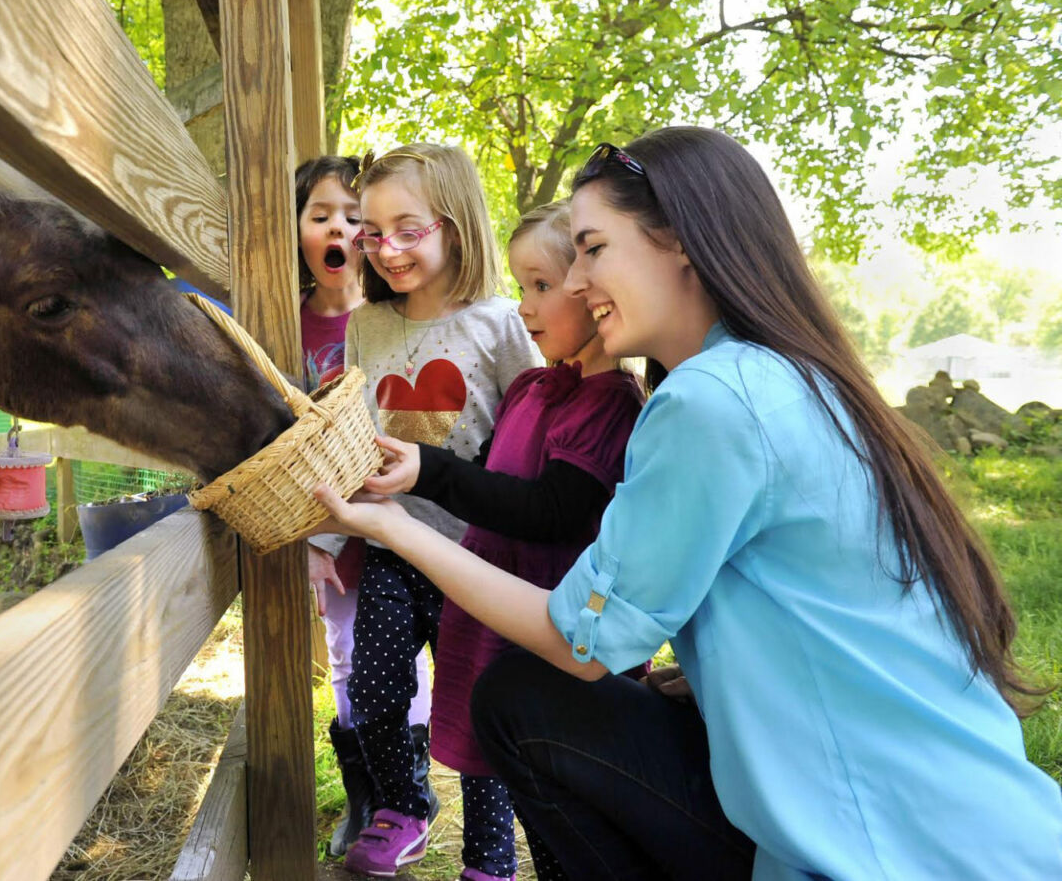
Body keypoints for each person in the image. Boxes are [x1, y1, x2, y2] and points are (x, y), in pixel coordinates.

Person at [312, 127, 1062, 880]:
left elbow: (580, 641)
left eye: (593, 249)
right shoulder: (794, 375)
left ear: (680, 242)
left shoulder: (712, 399)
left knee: (518, 695)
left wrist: (389, 527)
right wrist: (710, 683)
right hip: (970, 824)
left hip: (876, 849)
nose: (573, 283)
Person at [361, 202, 645, 880]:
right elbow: (489, 474)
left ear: (591, 289)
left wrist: (430, 471)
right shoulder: (532, 388)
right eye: (522, 288)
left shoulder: (609, 406)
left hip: (546, 630)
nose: (525, 306)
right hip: (498, 617)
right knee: (516, 773)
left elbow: (549, 509)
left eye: (541, 286)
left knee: (562, 802)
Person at [337, 144, 541, 877]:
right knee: (374, 687)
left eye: (408, 229)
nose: (386, 249)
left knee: (473, 706)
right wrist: (335, 544)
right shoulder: (367, 327)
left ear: (454, 226)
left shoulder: (498, 323)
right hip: (394, 547)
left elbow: (534, 428)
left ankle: (490, 857)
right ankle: (402, 805)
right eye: (370, 230)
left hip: (475, 560)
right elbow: (353, 438)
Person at [292, 154, 435, 857]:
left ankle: (408, 795)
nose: (341, 229)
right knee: (349, 656)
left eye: (356, 219)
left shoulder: (391, 321)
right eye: (323, 216)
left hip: (401, 515)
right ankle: (367, 797)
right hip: (326, 518)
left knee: (403, 657)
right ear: (297, 230)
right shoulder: (290, 326)